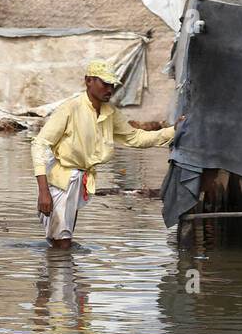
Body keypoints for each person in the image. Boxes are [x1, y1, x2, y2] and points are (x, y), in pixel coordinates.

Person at [31, 60, 177, 248]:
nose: (109, 89)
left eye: (112, 85)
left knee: (60, 241)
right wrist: (43, 192)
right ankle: (60, 274)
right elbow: (40, 144)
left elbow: (135, 138)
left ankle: (57, 275)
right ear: (88, 81)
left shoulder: (109, 113)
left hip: (79, 181)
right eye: (105, 84)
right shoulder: (71, 108)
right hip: (59, 182)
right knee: (62, 242)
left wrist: (174, 130)